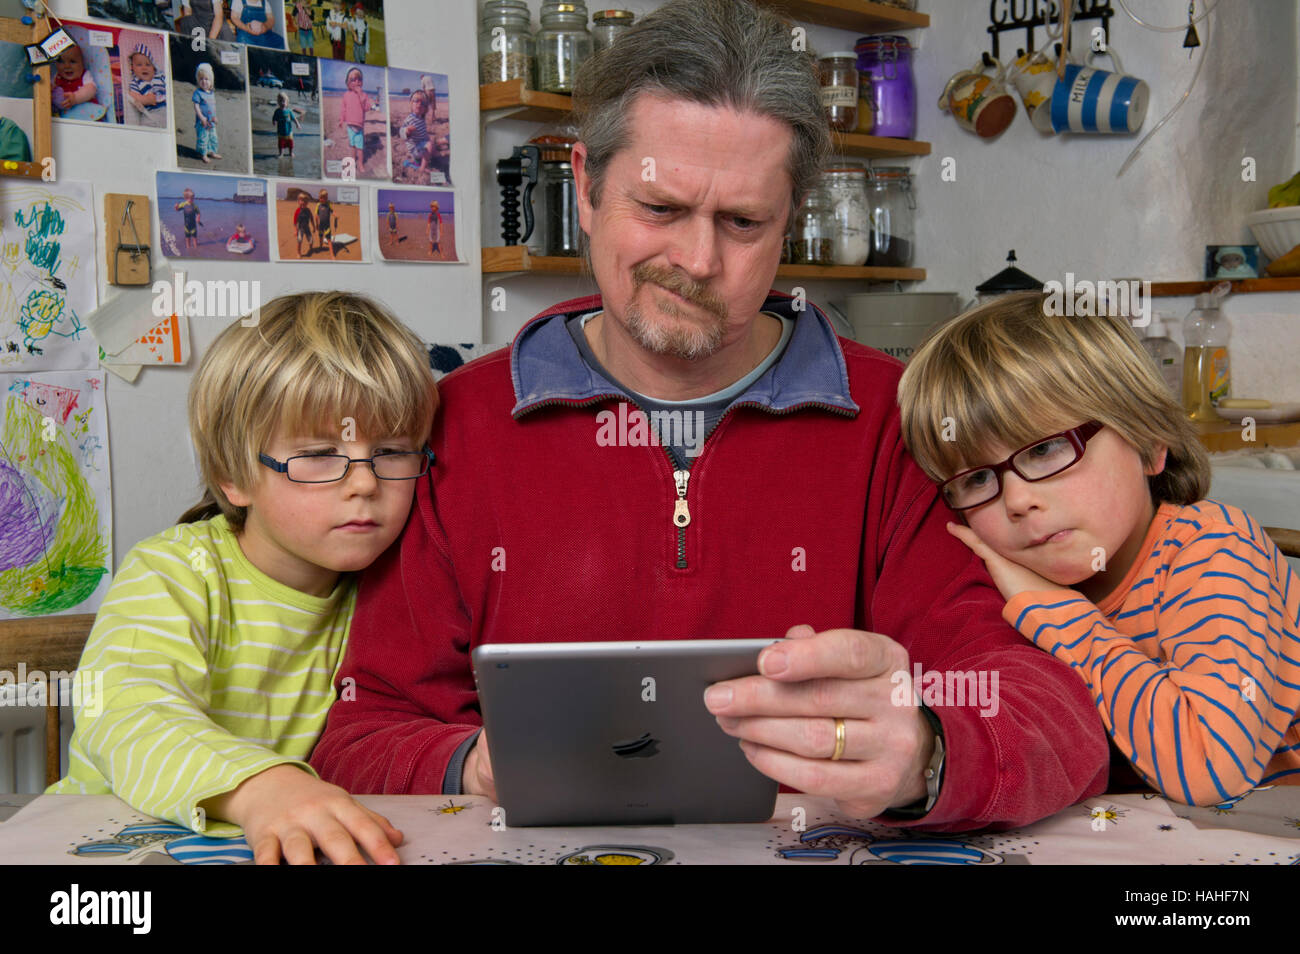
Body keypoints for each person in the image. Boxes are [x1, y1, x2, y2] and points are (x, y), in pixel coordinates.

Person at [311, 0, 1109, 830]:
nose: (697, 262)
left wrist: (931, 755)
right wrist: (480, 765)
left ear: (789, 223)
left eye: (742, 223)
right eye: (660, 210)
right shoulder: (458, 423)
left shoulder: (893, 422)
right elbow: (360, 732)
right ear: (585, 186)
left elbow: (1052, 713)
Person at [48, 292, 440, 865]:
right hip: (105, 846)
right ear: (233, 476)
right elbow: (126, 709)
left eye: (390, 450)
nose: (364, 482)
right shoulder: (175, 572)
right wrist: (263, 786)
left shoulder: (399, 583)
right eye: (320, 453)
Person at [896, 291, 1300, 805]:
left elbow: (1208, 770)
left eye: (1045, 448)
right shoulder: (996, 591)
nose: (1018, 500)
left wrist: (1054, 613)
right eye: (976, 479)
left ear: (1150, 440)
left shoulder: (1215, 548)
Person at [338, 66, 370, 174]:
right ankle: (352, 161)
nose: (357, 82)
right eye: (353, 80)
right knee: (352, 145)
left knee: (360, 147)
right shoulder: (346, 95)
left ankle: (360, 163)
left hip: (359, 127)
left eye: (359, 79)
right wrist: (341, 119)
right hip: (350, 126)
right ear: (347, 83)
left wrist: (360, 94)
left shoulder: (364, 95)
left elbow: (367, 108)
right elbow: (343, 108)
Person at [51, 43, 97, 116]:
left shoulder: (84, 75)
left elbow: (91, 89)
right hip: (63, 116)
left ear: (82, 63)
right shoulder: (57, 76)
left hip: (86, 114)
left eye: (72, 61)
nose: (67, 66)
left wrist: (76, 98)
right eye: (61, 62)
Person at [125, 46, 167, 127]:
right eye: (139, 65)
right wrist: (146, 99)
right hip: (150, 113)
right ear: (132, 68)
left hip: (165, 110)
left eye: (148, 64)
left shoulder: (160, 76)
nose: (144, 68)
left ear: (153, 67)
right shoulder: (135, 82)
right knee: (145, 125)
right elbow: (132, 96)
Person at [192, 62, 221, 162]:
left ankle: (213, 152)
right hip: (202, 121)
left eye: (206, 79)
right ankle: (203, 154)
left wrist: (215, 117)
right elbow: (196, 106)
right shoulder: (198, 93)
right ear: (198, 81)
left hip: (211, 121)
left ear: (211, 81)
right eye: (201, 79)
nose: (204, 81)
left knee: (213, 137)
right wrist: (201, 118)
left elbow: (213, 107)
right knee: (203, 138)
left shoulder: (211, 93)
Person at [398, 89, 430, 180]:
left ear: (425, 108)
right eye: (416, 101)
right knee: (429, 145)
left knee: (431, 144)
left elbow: (423, 133)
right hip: (414, 149)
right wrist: (407, 131)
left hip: (420, 146)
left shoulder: (421, 119)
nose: (419, 104)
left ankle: (418, 162)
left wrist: (427, 138)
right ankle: (422, 168)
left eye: (422, 103)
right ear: (411, 104)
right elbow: (401, 132)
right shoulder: (410, 119)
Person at [272, 90, 304, 158]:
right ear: (278, 102)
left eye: (284, 101)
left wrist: (297, 124)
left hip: (289, 132)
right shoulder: (277, 111)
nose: (282, 103)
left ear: (287, 102)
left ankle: (291, 153)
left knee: (290, 144)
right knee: (281, 144)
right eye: (280, 101)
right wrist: (274, 121)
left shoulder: (289, 111)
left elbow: (294, 118)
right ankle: (281, 154)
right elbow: (274, 117)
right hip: (281, 132)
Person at [174, 186, 201, 251]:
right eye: (190, 198)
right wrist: (176, 207)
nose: (192, 200)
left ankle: (196, 248)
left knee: (194, 238)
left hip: (193, 226)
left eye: (193, 198)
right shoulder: (183, 204)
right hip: (186, 225)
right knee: (187, 238)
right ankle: (188, 248)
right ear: (186, 198)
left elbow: (198, 213)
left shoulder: (195, 206)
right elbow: (177, 210)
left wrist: (198, 218)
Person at [315, 188, 337, 258]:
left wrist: (335, 215)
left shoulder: (328, 204)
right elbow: (316, 214)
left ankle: (332, 254)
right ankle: (321, 246)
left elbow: (332, 211)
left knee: (329, 240)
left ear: (327, 198)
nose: (323, 199)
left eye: (324, 198)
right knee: (320, 237)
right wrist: (316, 224)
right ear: (319, 198)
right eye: (321, 198)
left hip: (327, 226)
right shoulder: (318, 205)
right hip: (320, 226)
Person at [293, 191, 315, 255]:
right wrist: (295, 230)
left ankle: (311, 249)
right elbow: (295, 222)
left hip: (307, 228)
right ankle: (298, 253)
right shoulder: (297, 211)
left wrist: (313, 227)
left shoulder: (308, 210)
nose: (303, 204)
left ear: (307, 203)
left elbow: (311, 218)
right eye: (301, 202)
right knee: (299, 240)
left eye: (305, 202)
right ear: (298, 202)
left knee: (311, 240)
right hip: (300, 228)